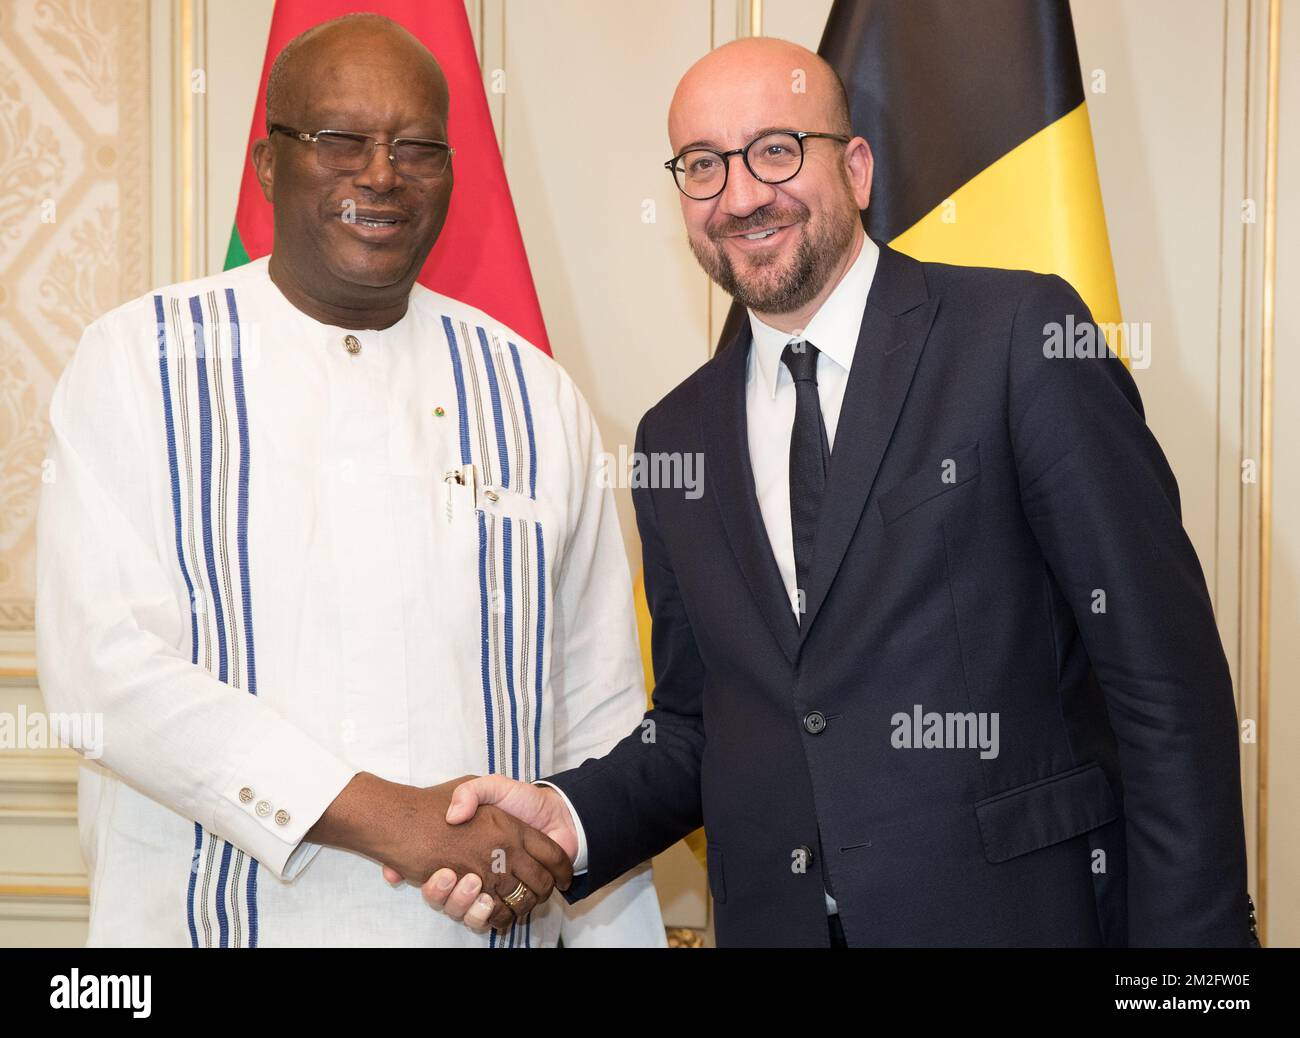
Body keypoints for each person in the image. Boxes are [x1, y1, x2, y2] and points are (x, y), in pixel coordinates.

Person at [411, 36, 1256, 948]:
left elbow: (1163, 680)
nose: (739, 196)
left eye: (775, 150)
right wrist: (562, 818)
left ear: (855, 168)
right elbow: (703, 724)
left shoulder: (1020, 339)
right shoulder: (674, 439)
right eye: (703, 166)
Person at [35, 13, 664, 948]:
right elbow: (105, 670)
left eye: (417, 148)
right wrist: (392, 818)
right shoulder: (142, 361)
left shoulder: (536, 395)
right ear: (266, 166)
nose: (381, 175)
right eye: (339, 141)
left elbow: (599, 714)